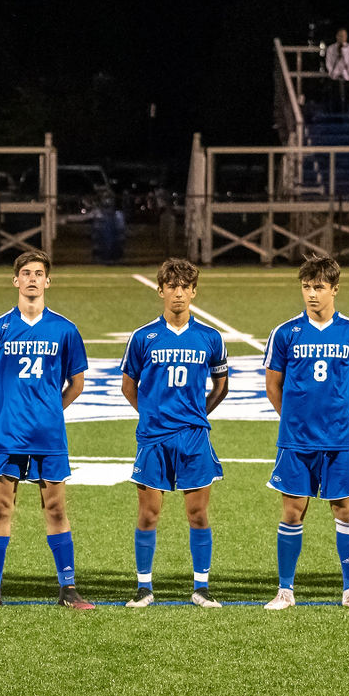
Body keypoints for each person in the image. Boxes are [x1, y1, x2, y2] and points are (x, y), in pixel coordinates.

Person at [0, 250, 93, 610]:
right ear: (16, 280)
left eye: (39, 273)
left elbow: (77, 383)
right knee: (1, 508)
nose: (33, 278)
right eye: (26, 273)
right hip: (7, 435)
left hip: (49, 436)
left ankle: (68, 588)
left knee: (55, 509)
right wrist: (10, 410)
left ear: (47, 281)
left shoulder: (65, 329)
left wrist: (49, 411)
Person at [261, 256, 349, 611]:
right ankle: (285, 591)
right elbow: (273, 385)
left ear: (334, 289)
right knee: (292, 511)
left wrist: (337, 417)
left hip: (339, 439)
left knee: (344, 509)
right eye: (307, 287)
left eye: (319, 287)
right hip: (296, 440)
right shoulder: (285, 332)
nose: (312, 294)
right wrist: (296, 419)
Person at [119, 257, 229, 609]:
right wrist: (153, 414)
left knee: (198, 513)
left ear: (194, 292)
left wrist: (196, 415)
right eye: (172, 287)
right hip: (154, 437)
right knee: (148, 513)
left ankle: (201, 587)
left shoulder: (210, 337)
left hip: (194, 438)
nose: (178, 294)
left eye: (185, 287)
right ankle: (144, 587)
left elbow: (221, 384)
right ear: (161, 291)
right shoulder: (143, 337)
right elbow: (128, 386)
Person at [323, 28, 349, 113]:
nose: (342, 37)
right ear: (336, 36)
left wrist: (347, 71)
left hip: (346, 75)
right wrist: (332, 72)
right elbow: (328, 62)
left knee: (347, 94)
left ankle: (346, 110)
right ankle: (334, 110)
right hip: (334, 75)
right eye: (340, 35)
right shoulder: (331, 48)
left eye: (344, 36)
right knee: (334, 94)